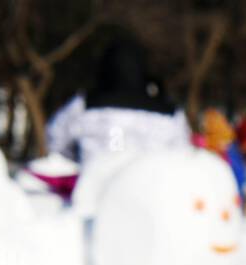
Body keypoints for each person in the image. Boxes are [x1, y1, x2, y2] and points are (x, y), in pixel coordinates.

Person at [45, 36, 190, 210]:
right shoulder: (171, 114)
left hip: (94, 200)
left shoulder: (83, 105)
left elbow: (54, 139)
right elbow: (183, 155)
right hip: (155, 204)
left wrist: (79, 157)